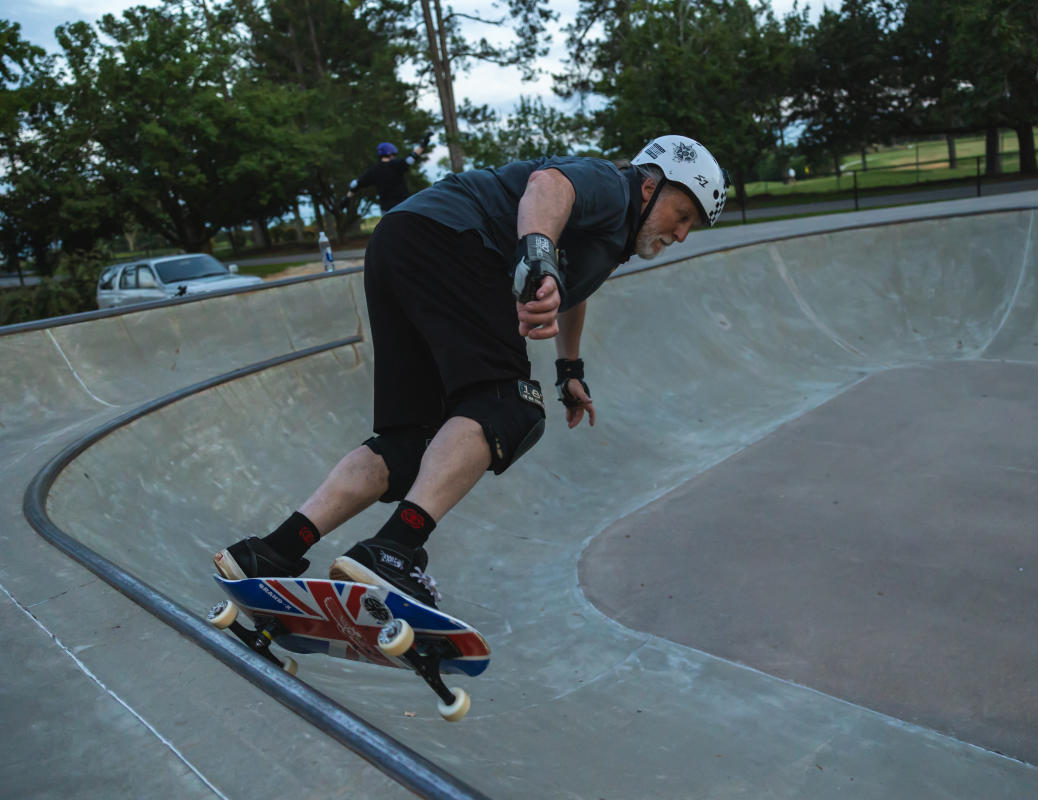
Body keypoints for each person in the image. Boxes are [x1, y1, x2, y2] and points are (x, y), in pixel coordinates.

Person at [214, 135, 729, 607]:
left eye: (692, 226)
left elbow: (577, 295)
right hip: (454, 238)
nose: (682, 234)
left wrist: (569, 368)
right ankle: (393, 550)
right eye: (681, 214)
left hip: (401, 242)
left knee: (409, 444)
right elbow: (548, 187)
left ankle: (271, 552)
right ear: (649, 184)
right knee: (508, 408)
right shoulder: (611, 186)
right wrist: (536, 256)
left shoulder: (612, 241)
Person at [341, 134, 432, 214]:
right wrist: (423, 144)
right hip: (404, 206)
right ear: (391, 153)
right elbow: (411, 158)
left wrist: (347, 198)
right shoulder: (396, 165)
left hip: (387, 210)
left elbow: (356, 184)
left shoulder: (373, 171)